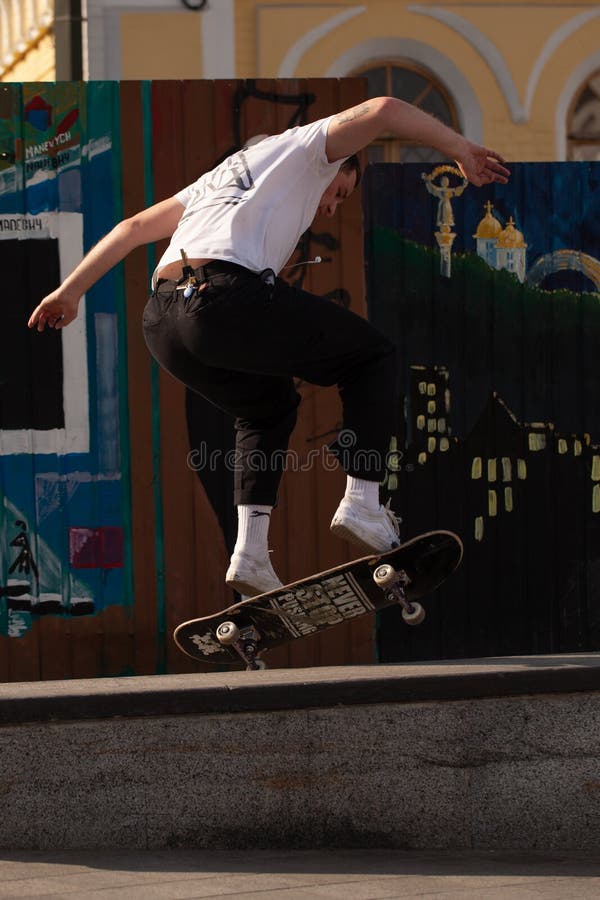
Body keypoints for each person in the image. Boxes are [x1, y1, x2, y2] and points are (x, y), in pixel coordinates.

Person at [28, 96, 510, 597]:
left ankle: (250, 554)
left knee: (267, 408)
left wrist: (69, 291)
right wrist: (460, 148)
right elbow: (385, 109)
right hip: (221, 298)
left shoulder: (218, 178)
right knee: (373, 356)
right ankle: (364, 498)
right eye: (341, 192)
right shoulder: (307, 148)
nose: (331, 206)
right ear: (339, 165)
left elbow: (130, 230)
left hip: (163, 322)